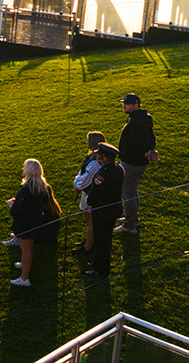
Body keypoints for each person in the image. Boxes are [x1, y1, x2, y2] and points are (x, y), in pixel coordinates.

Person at [6, 158, 60, 286]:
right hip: (36, 220)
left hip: (26, 224)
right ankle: (24, 264)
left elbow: (22, 212)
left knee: (26, 250)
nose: (22, 169)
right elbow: (45, 201)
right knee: (28, 247)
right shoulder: (42, 186)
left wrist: (12, 207)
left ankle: (24, 279)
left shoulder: (26, 189)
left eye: (24, 167)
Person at [117, 93, 158, 235]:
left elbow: (137, 144)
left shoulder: (135, 122)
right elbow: (152, 139)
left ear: (136, 105)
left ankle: (129, 225)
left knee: (128, 193)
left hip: (132, 163)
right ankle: (133, 218)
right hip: (138, 162)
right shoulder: (143, 118)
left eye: (127, 104)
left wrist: (145, 153)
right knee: (132, 191)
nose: (124, 106)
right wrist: (149, 152)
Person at [85, 144, 125, 276]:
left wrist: (89, 201)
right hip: (113, 209)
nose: (97, 155)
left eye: (100, 154)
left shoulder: (102, 175)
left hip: (102, 212)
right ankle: (98, 262)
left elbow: (94, 195)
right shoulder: (118, 169)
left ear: (105, 158)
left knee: (102, 241)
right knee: (105, 239)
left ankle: (101, 269)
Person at [72, 131, 106, 252]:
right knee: (91, 221)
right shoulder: (96, 158)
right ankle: (90, 240)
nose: (86, 142)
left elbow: (86, 178)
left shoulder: (95, 162)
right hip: (89, 193)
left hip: (90, 195)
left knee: (92, 222)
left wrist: (77, 185)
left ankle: (88, 247)